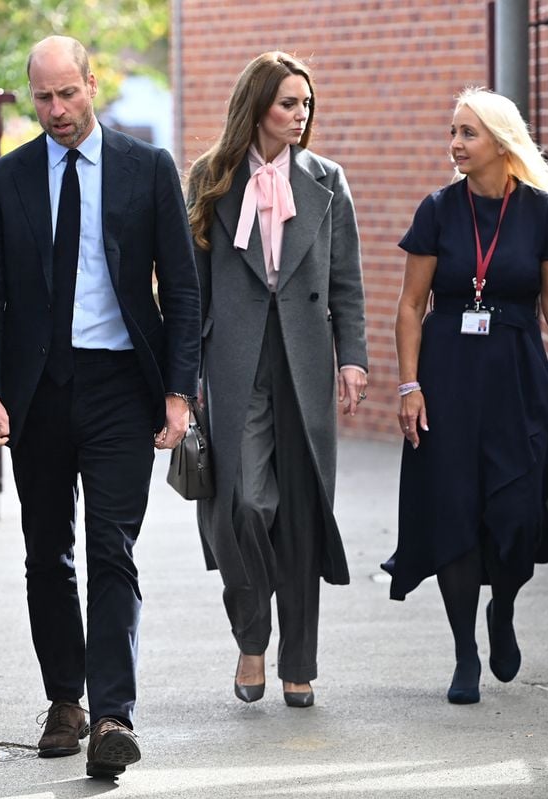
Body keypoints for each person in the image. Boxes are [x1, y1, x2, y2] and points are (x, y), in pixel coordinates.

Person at [0, 35, 198, 779]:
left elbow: (183, 290)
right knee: (47, 552)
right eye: (44, 97)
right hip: (37, 391)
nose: (57, 110)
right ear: (29, 96)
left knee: (112, 550)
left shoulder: (147, 169)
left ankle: (111, 715)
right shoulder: (4, 180)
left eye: (69, 93)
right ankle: (65, 699)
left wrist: (179, 389)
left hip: (122, 386)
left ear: (92, 84)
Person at [384, 87, 548, 705]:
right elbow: (409, 305)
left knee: (517, 507)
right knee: (453, 510)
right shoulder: (437, 210)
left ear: (500, 142)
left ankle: (502, 607)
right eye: (453, 131)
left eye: (468, 133)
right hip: (447, 378)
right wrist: (409, 384)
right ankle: (464, 653)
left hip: (516, 379)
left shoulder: (540, 214)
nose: (455, 144)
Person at [185, 52, 368, 709]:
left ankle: (298, 662)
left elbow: (346, 280)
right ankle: (252, 635)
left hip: (306, 361)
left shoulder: (326, 180)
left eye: (306, 103)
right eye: (289, 103)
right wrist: (185, 377)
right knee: (242, 506)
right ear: (257, 106)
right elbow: (190, 290)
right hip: (234, 366)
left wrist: (353, 360)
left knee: (300, 513)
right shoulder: (210, 177)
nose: (302, 114)